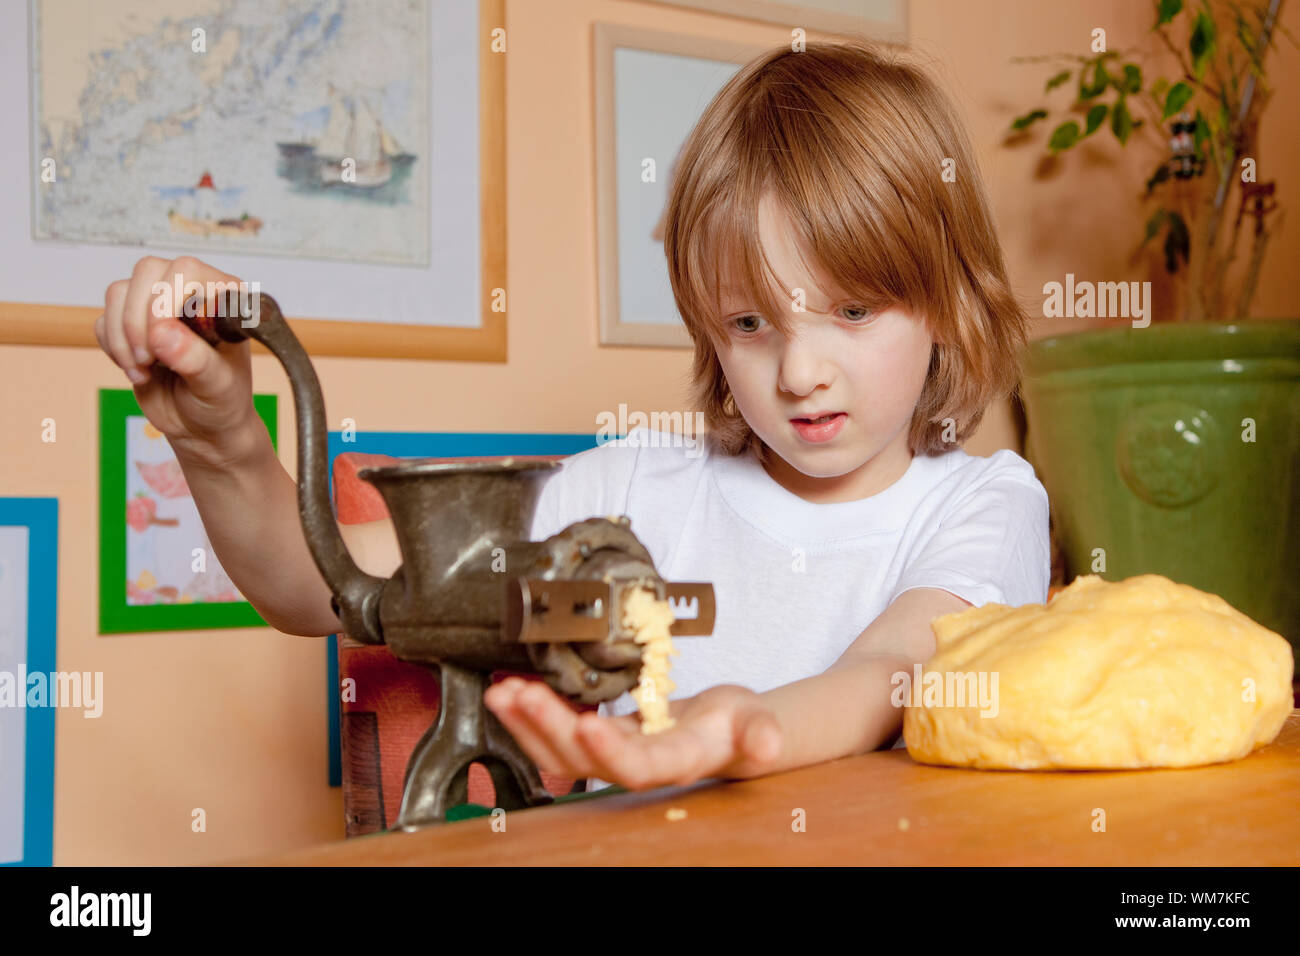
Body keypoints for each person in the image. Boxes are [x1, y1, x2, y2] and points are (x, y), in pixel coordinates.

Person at [95, 39, 1048, 797]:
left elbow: (894, 668)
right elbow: (319, 589)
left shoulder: (984, 501)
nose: (800, 371)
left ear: (949, 301)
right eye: (750, 323)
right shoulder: (629, 494)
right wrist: (221, 442)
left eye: (852, 311)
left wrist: (740, 729)